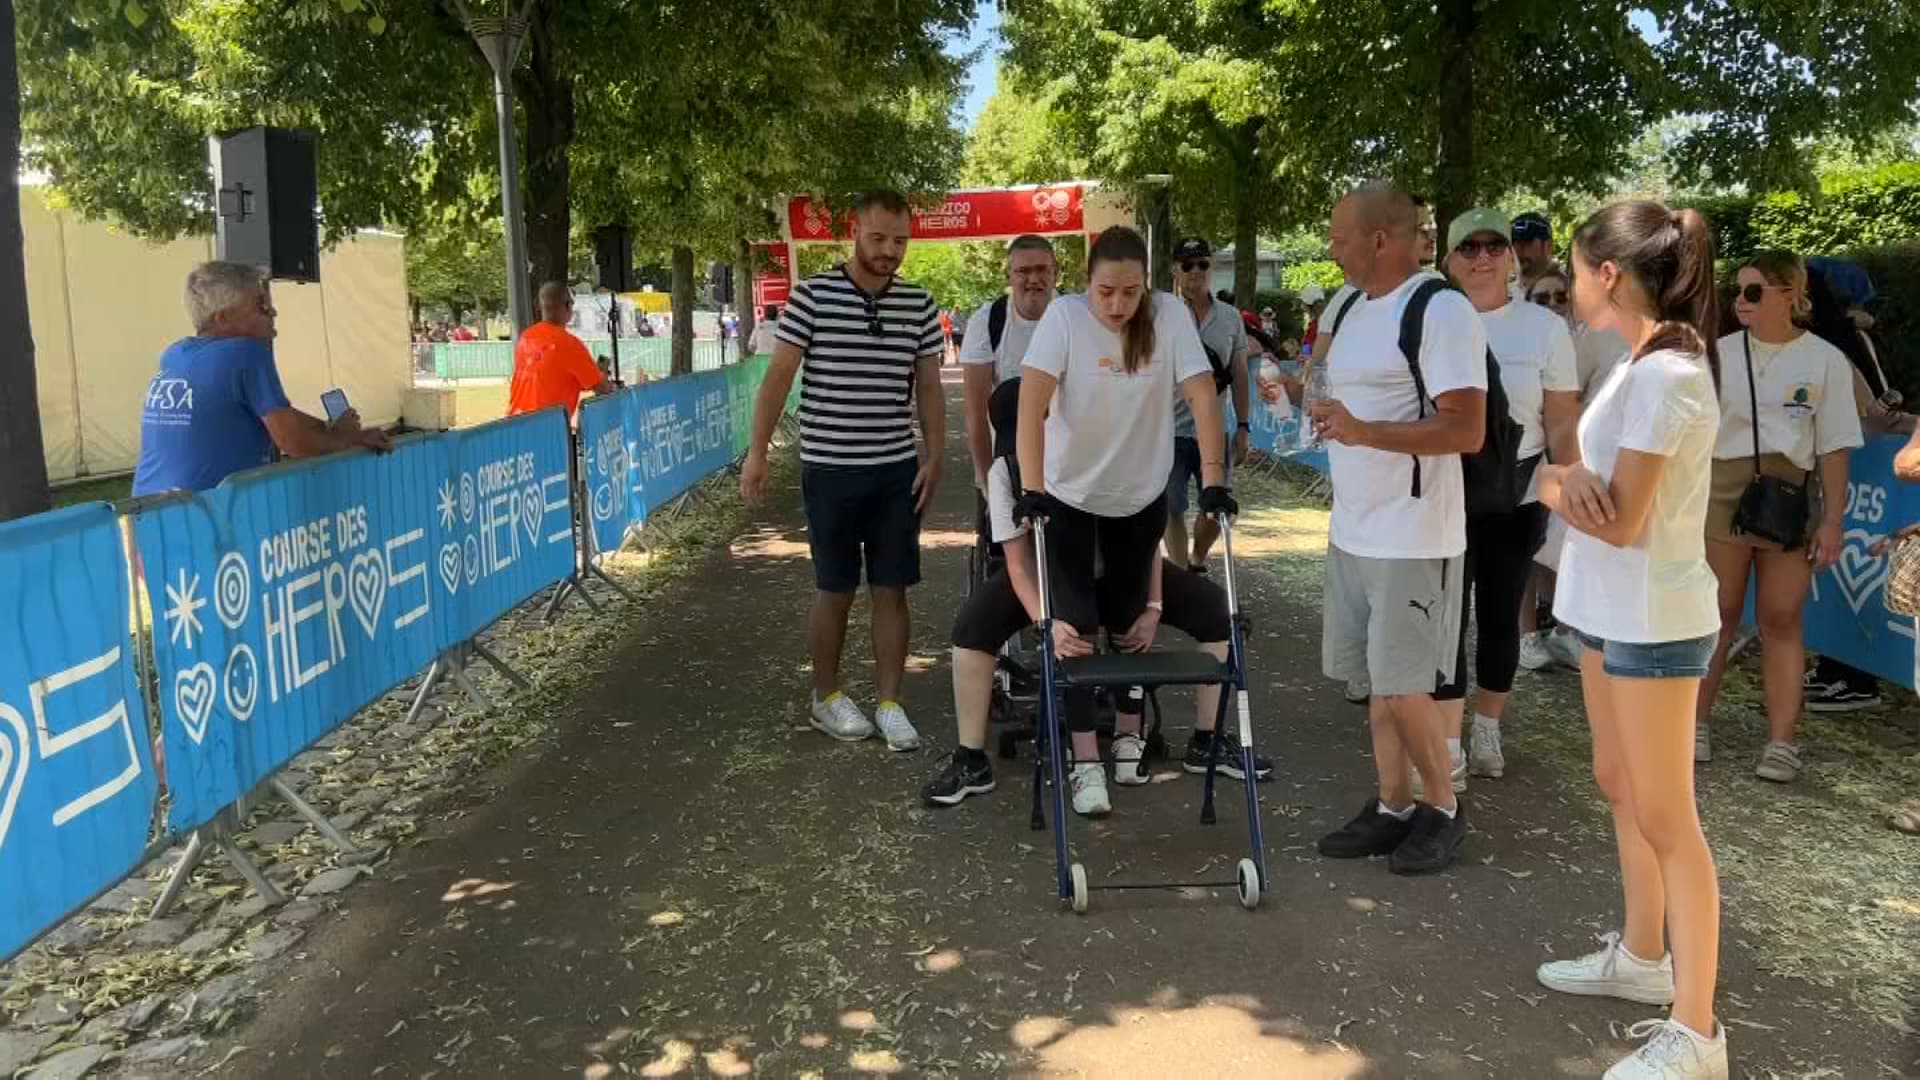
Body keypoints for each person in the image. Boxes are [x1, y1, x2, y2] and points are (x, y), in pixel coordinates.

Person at [1532, 201, 1728, 1080]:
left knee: (1667, 820)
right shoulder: (1637, 363)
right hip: (1610, 616)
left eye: (1575, 269)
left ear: (1606, 273)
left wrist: (1552, 484)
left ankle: (1697, 1031)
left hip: (1652, 619)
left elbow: (1618, 518)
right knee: (1620, 787)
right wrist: (1560, 481)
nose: (1568, 286)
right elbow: (1582, 484)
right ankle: (1644, 959)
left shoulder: (1665, 375)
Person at [988, 225, 1250, 811]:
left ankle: (1130, 739)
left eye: (1130, 293)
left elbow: (1204, 394)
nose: (1117, 306)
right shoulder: (1063, 318)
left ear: (1147, 285)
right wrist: (1031, 489)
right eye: (1106, 292)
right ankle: (1085, 762)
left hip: (1139, 496)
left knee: (1135, 622)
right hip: (1070, 495)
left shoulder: (1168, 317)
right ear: (1088, 282)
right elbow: (1030, 403)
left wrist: (1212, 480)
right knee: (1075, 630)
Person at [922, 385, 1266, 812]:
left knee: (1216, 611)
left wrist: (1153, 606)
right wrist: (1046, 622)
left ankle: (1206, 742)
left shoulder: (1099, 458)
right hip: (1044, 575)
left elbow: (1146, 539)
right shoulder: (1005, 473)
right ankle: (972, 759)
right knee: (973, 626)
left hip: (1123, 572)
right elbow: (1016, 564)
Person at [1307, 181, 1485, 877]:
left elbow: (1466, 429)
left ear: (1381, 238)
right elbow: (1329, 396)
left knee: (1407, 686)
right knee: (1379, 683)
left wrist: (1364, 430)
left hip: (1415, 535)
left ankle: (1442, 807)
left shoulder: (1440, 310)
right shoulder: (1349, 305)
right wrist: (1296, 391)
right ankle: (1392, 804)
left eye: (1340, 237)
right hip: (1354, 526)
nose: (1331, 248)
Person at [740, 189, 945, 752]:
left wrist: (935, 454)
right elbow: (779, 377)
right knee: (835, 588)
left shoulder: (919, 305)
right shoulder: (812, 298)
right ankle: (826, 697)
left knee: (892, 589)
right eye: (878, 238)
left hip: (894, 470)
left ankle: (889, 703)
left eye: (900, 240)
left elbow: (928, 385)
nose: (889, 251)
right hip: (829, 469)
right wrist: (757, 451)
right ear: (855, 232)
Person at [1693, 251, 1864, 781]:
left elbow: (1834, 446)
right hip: (1723, 487)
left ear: (1791, 293)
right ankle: (1694, 723)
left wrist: (1832, 519)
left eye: (1754, 292)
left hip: (1789, 492)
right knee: (1716, 613)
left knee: (1781, 617)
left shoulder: (1824, 360)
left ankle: (1782, 742)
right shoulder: (1715, 354)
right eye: (1738, 292)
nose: (1741, 303)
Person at [1431, 209, 1580, 788]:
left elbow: (1561, 421)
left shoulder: (1544, 330)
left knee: (1499, 614)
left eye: (1495, 246)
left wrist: (1568, 484)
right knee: (1443, 619)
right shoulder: (1430, 320)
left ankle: (1486, 726)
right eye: (1469, 248)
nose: (1483, 257)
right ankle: (1446, 738)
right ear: (1449, 260)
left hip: (1516, 495)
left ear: (1513, 257)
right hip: (1442, 492)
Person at [132, 261, 392, 498]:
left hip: (149, 514)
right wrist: (348, 438)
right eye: (261, 306)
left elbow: (278, 416)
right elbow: (294, 441)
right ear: (223, 319)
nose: (273, 312)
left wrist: (331, 428)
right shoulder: (246, 352)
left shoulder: (174, 354)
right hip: (205, 519)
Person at [1165, 238, 1251, 573]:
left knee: (1218, 507)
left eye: (1202, 264)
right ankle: (1178, 570)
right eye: (1187, 265)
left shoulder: (1230, 318)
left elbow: (1240, 374)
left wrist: (1243, 427)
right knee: (1169, 505)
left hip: (1213, 429)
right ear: (1175, 269)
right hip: (1168, 429)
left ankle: (1197, 557)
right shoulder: (1161, 313)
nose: (1195, 271)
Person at [958, 235, 1059, 491]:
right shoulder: (987, 322)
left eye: (1042, 270)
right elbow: (975, 411)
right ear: (1009, 277)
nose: (1033, 279)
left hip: (1067, 461)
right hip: (1007, 459)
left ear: (1055, 273)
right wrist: (985, 479)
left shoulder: (1077, 316)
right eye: (1023, 271)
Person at [508, 282, 614, 420]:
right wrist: (603, 376)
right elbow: (602, 389)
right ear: (568, 306)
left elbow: (550, 379)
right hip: (547, 427)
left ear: (541, 307)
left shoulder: (526, 337)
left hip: (514, 424)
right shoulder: (570, 344)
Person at [1511, 212, 1556, 294]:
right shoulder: (1504, 297)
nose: (1518, 250)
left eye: (1526, 242)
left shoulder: (1572, 291)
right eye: (1514, 242)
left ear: (1548, 246)